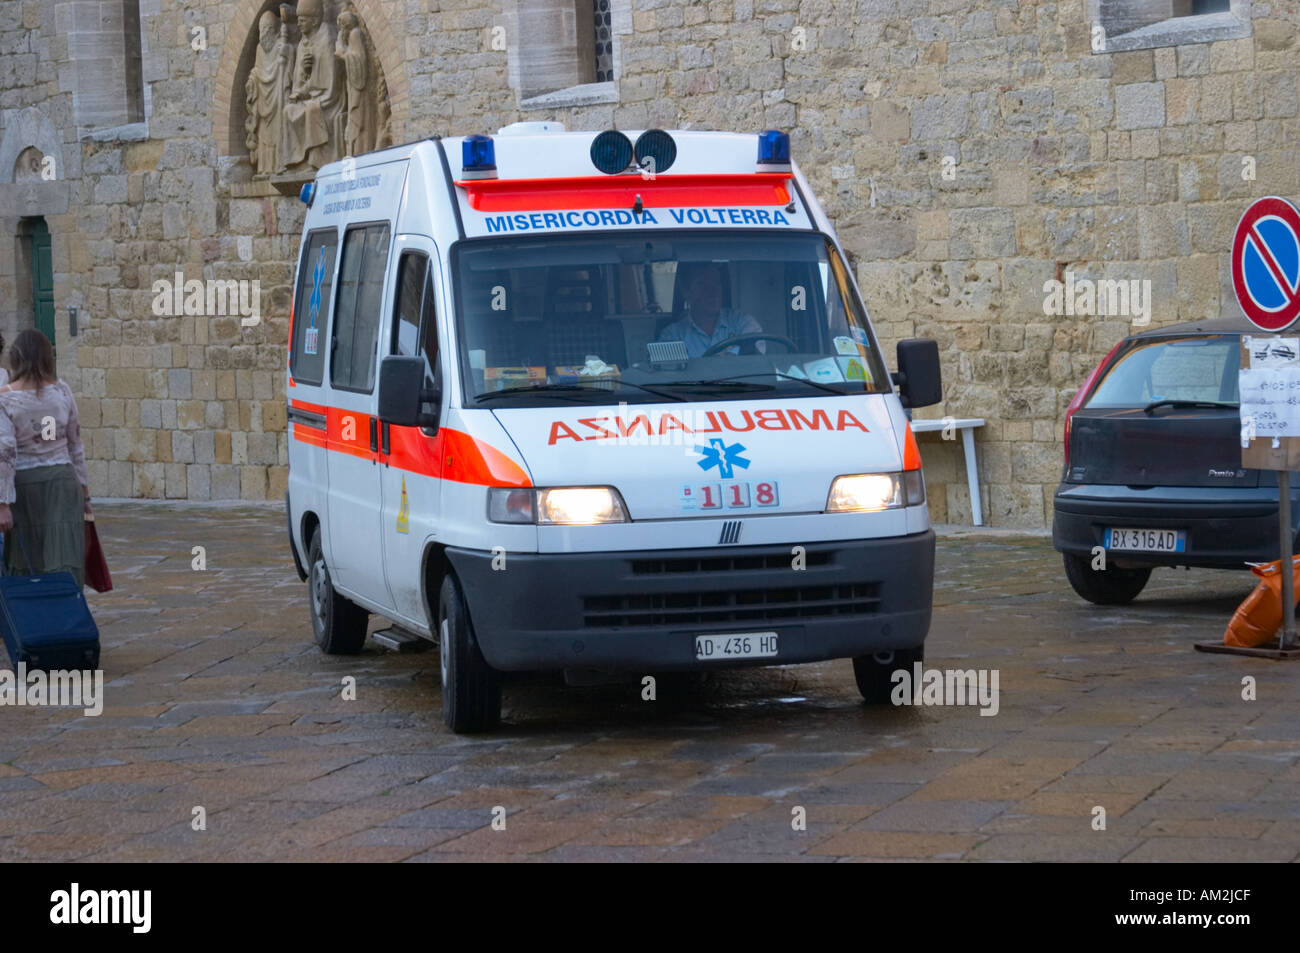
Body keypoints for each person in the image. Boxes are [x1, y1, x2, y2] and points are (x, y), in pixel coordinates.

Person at [0, 330, 90, 587]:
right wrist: (85, 495)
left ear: (16, 358)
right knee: (63, 556)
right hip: (63, 481)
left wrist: (2, 503)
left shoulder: (4, 398)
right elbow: (76, 445)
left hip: (25, 484)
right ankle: (66, 616)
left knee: (26, 558)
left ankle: (31, 618)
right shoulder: (62, 391)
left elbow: (5, 453)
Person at [657, 262, 765, 357]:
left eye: (716, 283)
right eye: (702, 284)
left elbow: (755, 365)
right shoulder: (672, 336)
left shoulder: (744, 323)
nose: (712, 292)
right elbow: (670, 375)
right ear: (686, 291)